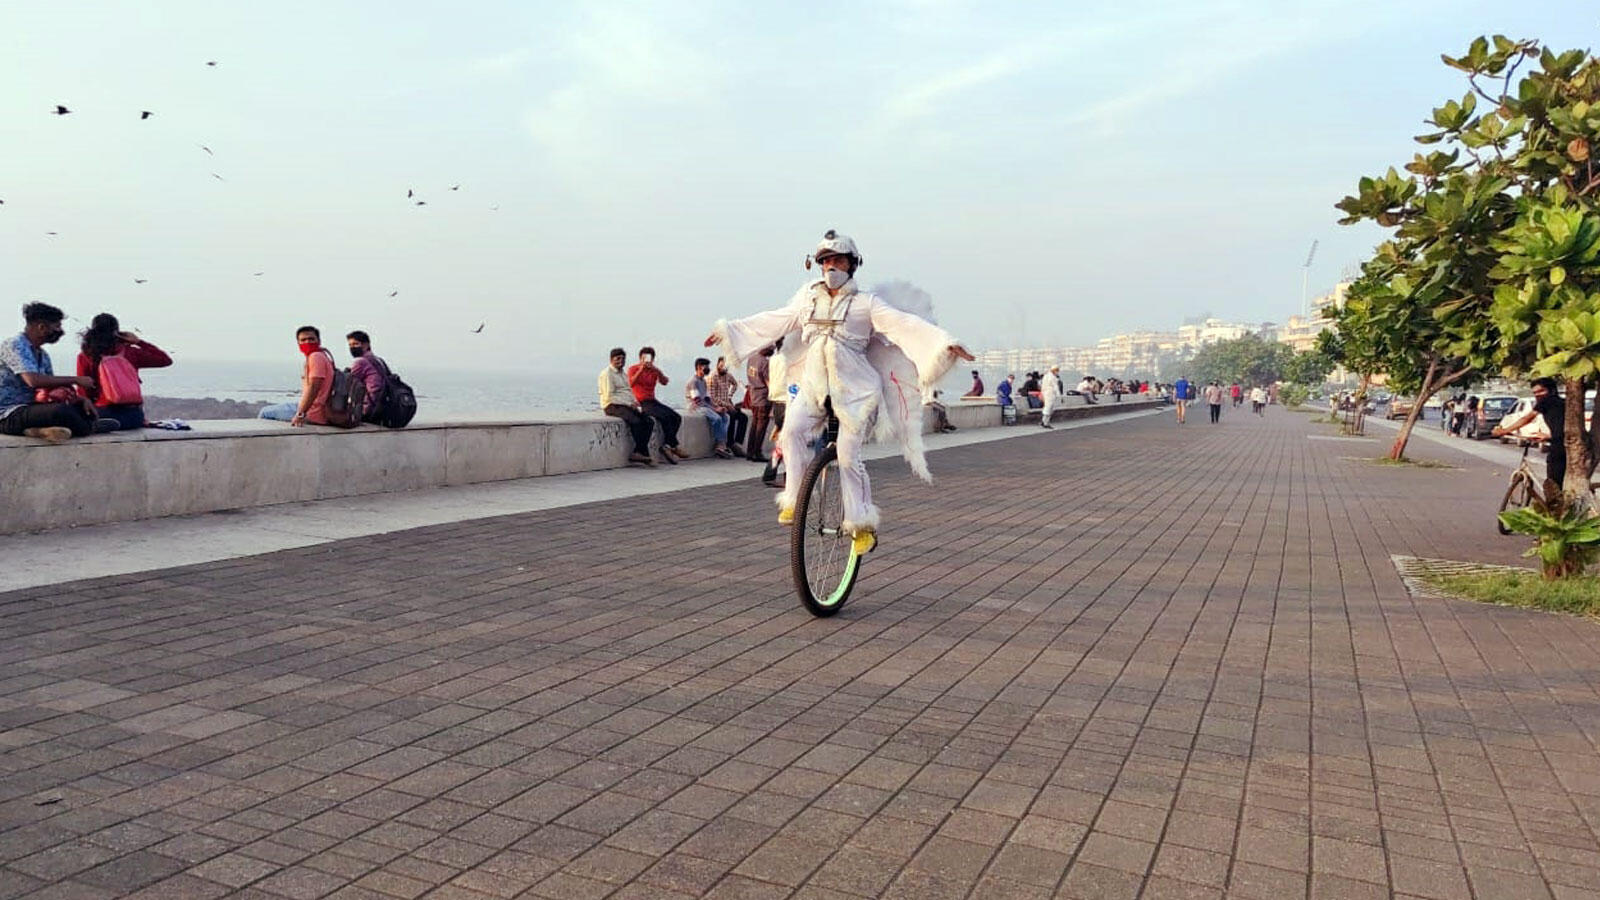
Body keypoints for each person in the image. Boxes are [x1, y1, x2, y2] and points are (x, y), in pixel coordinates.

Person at [706, 230, 972, 552]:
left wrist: (944, 343)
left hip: (857, 390)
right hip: (815, 385)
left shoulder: (866, 304)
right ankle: (795, 497)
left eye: (839, 260)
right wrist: (730, 332)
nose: (832, 267)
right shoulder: (807, 298)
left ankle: (861, 523)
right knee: (790, 432)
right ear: (818, 265)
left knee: (847, 456)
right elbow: (776, 320)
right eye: (827, 261)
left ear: (852, 265)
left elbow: (904, 325)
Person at [0, 302, 102, 441]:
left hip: (29, 408)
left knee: (79, 408)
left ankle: (37, 430)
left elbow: (49, 387)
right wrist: (75, 379)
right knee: (60, 412)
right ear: (42, 327)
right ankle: (92, 427)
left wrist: (80, 399)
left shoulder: (43, 355)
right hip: (7, 414)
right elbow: (33, 381)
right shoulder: (14, 346)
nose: (60, 331)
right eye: (57, 327)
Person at [75, 313, 172, 431]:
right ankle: (114, 423)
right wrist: (138, 342)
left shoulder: (86, 355)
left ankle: (95, 424)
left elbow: (83, 389)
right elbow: (165, 360)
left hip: (102, 411)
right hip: (133, 415)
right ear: (117, 332)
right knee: (128, 419)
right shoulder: (130, 352)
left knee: (78, 420)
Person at [1494, 377, 1567, 487]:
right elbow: (1560, 426)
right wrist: (1548, 436)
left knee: (1553, 485)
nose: (1538, 395)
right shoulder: (1562, 402)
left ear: (1551, 390)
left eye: (1541, 391)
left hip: (1560, 447)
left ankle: (1556, 503)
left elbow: (1527, 418)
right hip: (1562, 441)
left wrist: (1504, 431)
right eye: (1535, 393)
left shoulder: (1546, 401)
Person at [259, 325, 336, 426]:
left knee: (265, 412)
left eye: (311, 339)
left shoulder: (315, 357)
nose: (307, 342)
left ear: (319, 341)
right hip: (319, 410)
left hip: (314, 412)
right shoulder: (323, 355)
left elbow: (314, 387)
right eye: (303, 340)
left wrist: (300, 414)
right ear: (298, 343)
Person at [629, 346, 686, 464]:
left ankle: (667, 445)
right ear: (640, 358)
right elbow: (630, 383)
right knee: (663, 417)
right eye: (644, 358)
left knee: (676, 417)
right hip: (641, 401)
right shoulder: (633, 369)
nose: (646, 360)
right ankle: (674, 446)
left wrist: (657, 370)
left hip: (652, 400)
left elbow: (665, 382)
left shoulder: (654, 371)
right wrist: (641, 369)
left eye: (649, 358)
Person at [599, 347, 655, 466]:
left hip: (625, 404)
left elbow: (629, 391)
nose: (621, 361)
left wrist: (635, 403)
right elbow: (609, 396)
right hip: (612, 405)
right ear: (611, 359)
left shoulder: (623, 374)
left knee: (649, 421)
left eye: (623, 359)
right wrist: (628, 404)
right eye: (618, 359)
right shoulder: (607, 374)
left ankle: (639, 452)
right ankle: (642, 453)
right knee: (636, 422)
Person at [686, 357, 735, 458]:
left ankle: (722, 443)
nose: (708, 368)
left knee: (725, 417)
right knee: (716, 418)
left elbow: (708, 398)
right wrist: (715, 409)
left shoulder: (703, 381)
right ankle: (720, 444)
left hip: (705, 405)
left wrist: (717, 407)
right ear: (699, 367)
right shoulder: (693, 382)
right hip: (696, 407)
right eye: (706, 367)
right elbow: (697, 401)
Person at [344, 330, 390, 424]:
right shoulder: (378, 360)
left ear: (366, 345)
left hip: (369, 408)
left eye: (356, 344)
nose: (352, 347)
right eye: (350, 345)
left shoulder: (361, 362)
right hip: (382, 405)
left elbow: (348, 383)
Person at [709, 357, 748, 457]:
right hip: (718, 405)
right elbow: (713, 397)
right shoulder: (713, 377)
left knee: (743, 417)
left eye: (725, 367)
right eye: (721, 366)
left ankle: (737, 443)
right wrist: (727, 405)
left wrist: (730, 396)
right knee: (731, 417)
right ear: (718, 365)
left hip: (727, 403)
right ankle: (730, 443)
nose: (723, 368)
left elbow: (734, 384)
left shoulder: (728, 376)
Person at [745, 343, 776, 463]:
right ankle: (757, 452)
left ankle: (750, 451)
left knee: (754, 424)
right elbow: (768, 381)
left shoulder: (751, 358)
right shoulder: (764, 362)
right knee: (761, 426)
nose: (772, 352)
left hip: (753, 396)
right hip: (763, 397)